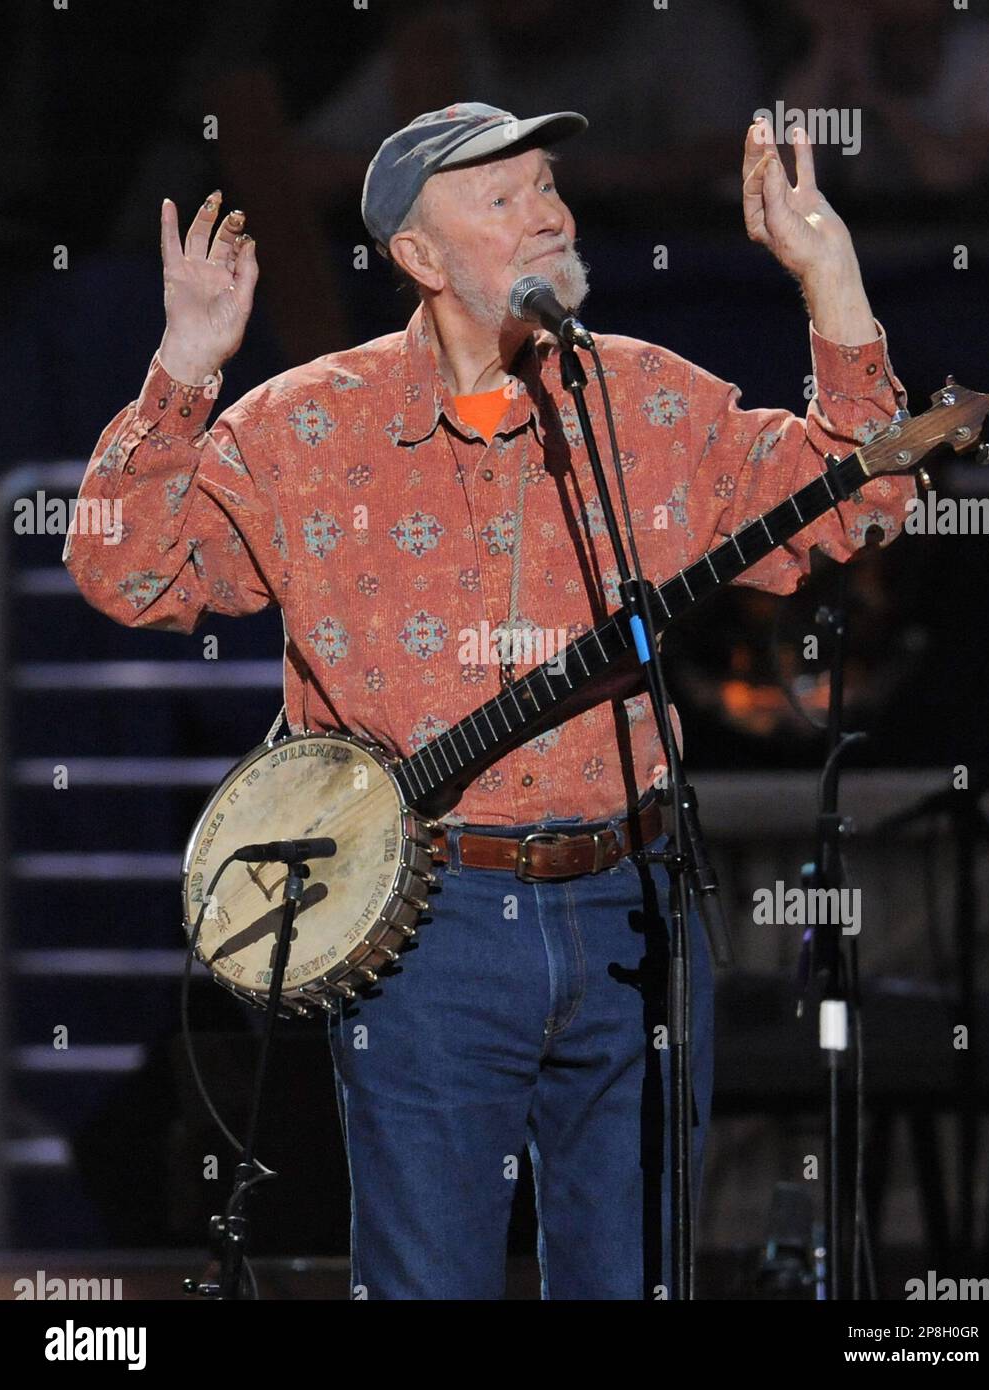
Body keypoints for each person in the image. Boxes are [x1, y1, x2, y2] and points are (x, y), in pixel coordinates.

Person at [64, 102, 913, 1300]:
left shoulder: (644, 402)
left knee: (633, 1281)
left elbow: (860, 502)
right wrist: (187, 366)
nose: (547, 210)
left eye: (549, 184)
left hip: (637, 905)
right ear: (418, 254)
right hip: (432, 929)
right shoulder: (307, 426)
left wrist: (828, 270)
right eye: (501, 196)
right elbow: (124, 567)